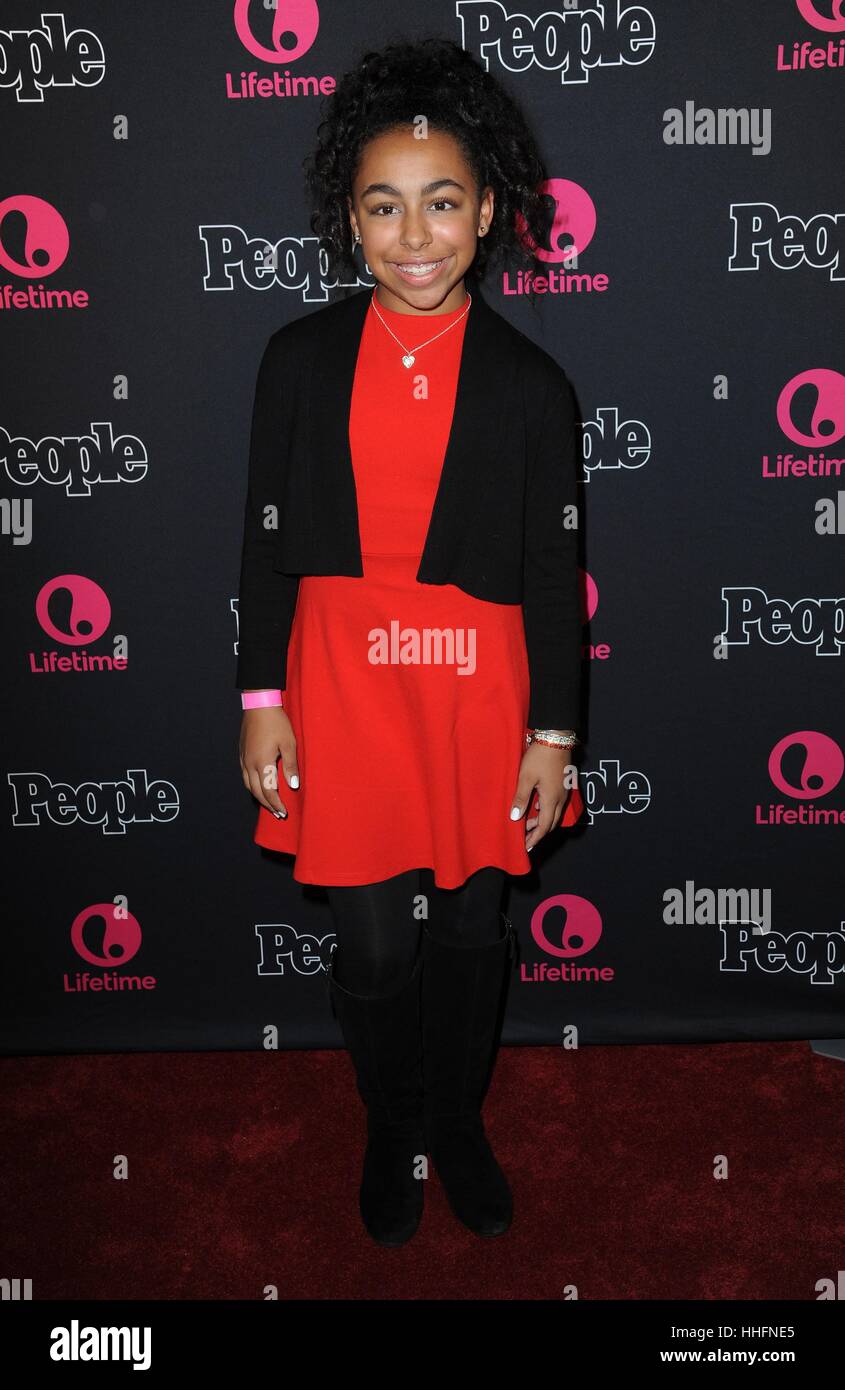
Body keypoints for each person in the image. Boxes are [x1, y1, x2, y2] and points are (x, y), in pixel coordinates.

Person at [236, 36, 583, 1248]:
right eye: (384, 207)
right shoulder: (296, 359)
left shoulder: (533, 384)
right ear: (351, 215)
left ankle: (459, 1117)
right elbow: (263, 543)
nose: (415, 234)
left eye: (441, 203)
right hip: (339, 681)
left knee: (477, 933)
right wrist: (259, 699)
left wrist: (553, 735)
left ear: (486, 210)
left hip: (478, 690)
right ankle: (394, 1121)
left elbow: (550, 572)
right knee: (376, 946)